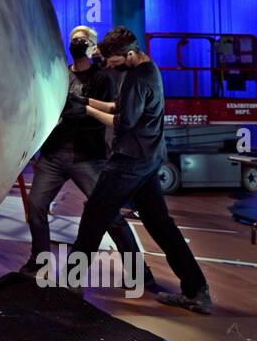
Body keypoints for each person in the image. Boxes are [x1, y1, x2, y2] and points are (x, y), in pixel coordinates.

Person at [67, 26, 212, 313]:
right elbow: (116, 106)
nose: (107, 65)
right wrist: (83, 100)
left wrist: (85, 112)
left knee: (94, 215)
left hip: (129, 161)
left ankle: (70, 284)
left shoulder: (136, 78)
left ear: (130, 54)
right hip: (148, 160)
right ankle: (197, 291)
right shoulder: (148, 70)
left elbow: (121, 123)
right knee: (161, 225)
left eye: (112, 61)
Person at [21, 26, 155, 291]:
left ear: (94, 47)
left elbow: (110, 116)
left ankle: (140, 271)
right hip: (54, 155)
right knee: (36, 206)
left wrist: (78, 110)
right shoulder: (59, 75)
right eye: (74, 40)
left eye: (83, 40)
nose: (77, 43)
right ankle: (39, 260)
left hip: (87, 157)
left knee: (108, 213)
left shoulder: (104, 78)